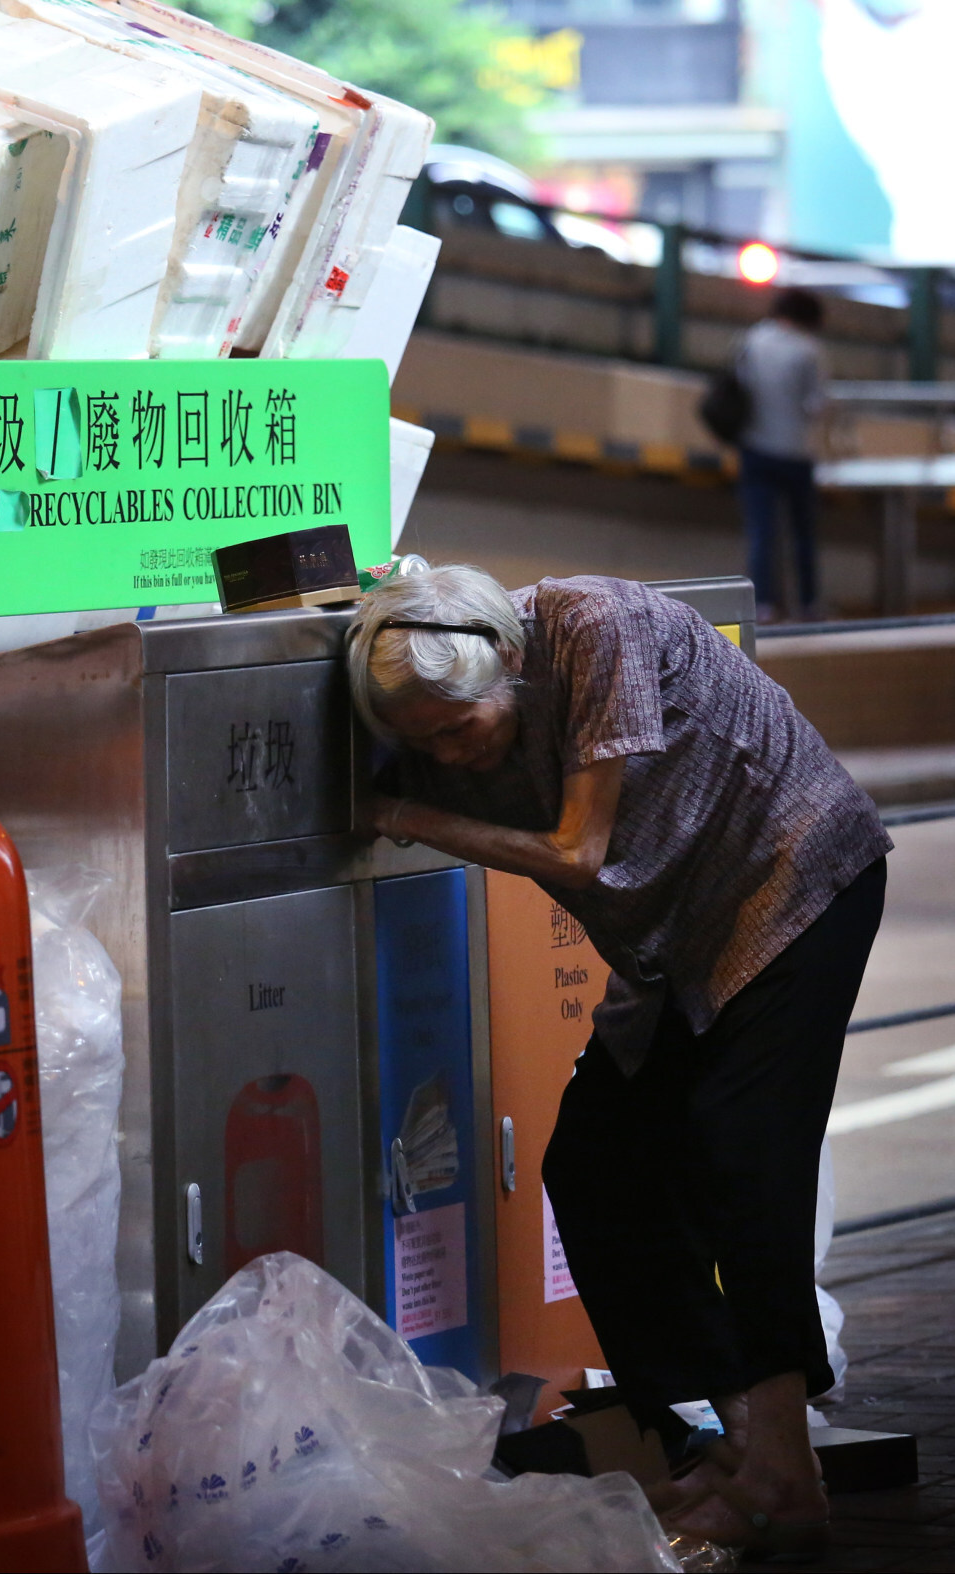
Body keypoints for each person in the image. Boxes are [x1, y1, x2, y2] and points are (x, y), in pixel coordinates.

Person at [346, 562, 888, 1555]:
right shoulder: (452, 695)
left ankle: (783, 1469)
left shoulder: (595, 629)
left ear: (508, 661)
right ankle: (719, 1449)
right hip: (674, 946)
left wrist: (403, 814)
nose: (447, 756)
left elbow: (579, 850)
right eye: (418, 743)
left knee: (739, 1152)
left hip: (792, 880)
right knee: (592, 1164)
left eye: (457, 727)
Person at [737, 288, 828, 622]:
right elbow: (815, 405)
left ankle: (763, 605)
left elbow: (740, 387)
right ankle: (808, 602)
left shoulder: (753, 340)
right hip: (795, 452)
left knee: (762, 532)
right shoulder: (809, 350)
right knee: (803, 533)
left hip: (756, 448)